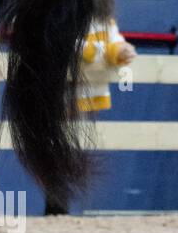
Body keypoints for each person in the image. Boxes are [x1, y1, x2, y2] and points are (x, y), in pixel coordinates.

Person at [44, 18, 137, 215]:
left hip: (88, 94)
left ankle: (65, 203)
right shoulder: (63, 9)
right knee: (56, 145)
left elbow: (113, 41)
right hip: (59, 91)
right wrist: (93, 51)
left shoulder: (103, 17)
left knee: (77, 146)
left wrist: (122, 50)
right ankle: (55, 203)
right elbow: (64, 42)